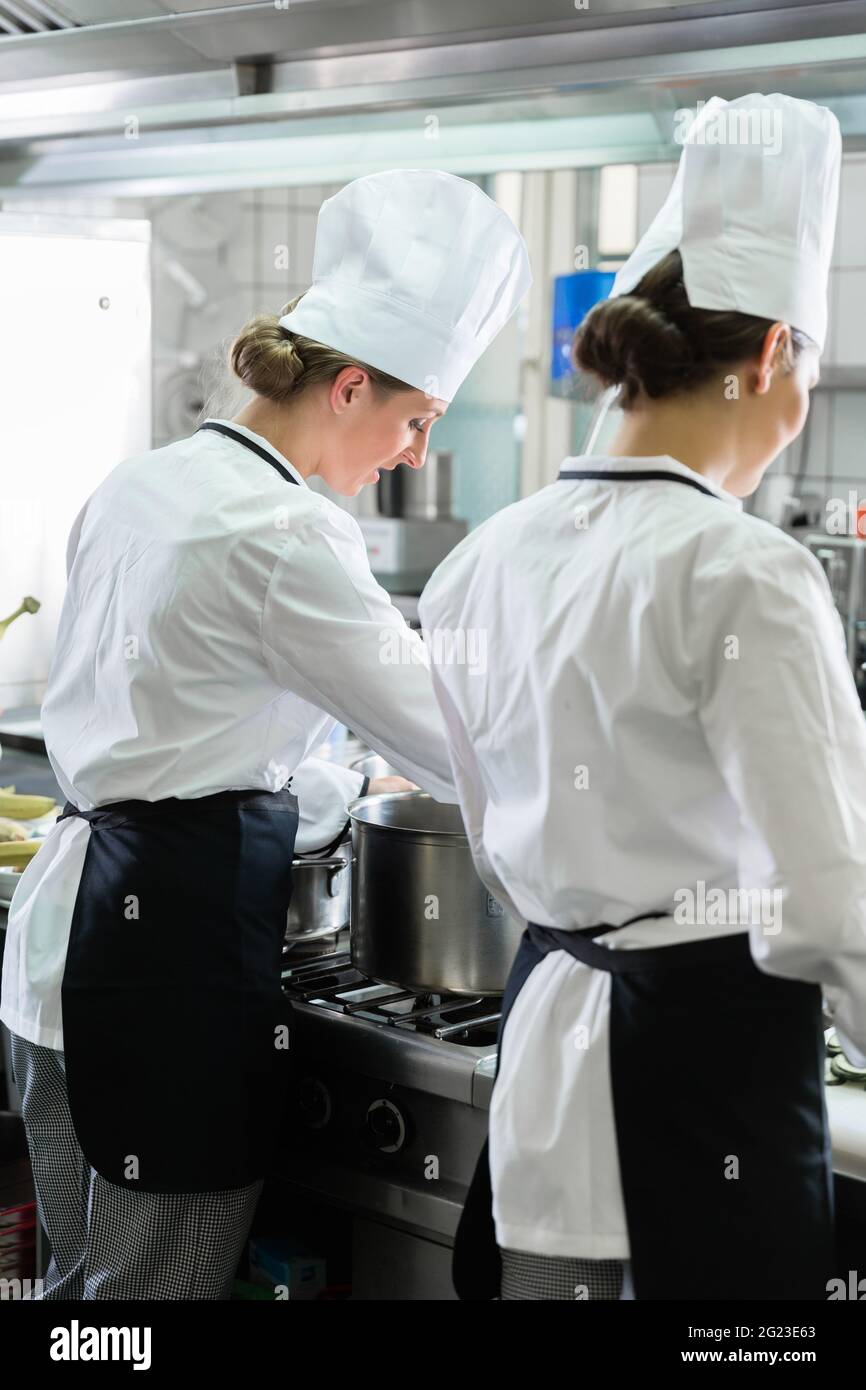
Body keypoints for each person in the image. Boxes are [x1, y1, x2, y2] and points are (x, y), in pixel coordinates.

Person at [0, 168, 531, 1299]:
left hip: (54, 961)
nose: (414, 454)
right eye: (414, 420)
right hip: (162, 976)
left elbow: (189, 734)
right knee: (153, 1305)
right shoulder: (287, 531)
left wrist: (323, 787)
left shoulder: (143, 483)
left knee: (78, 1294)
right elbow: (460, 738)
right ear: (347, 388)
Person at [419, 94, 865, 1301]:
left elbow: (489, 838)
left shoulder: (480, 558)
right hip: (706, 1086)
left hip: (545, 1074)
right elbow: (826, 909)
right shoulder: (743, 569)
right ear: (773, 352)